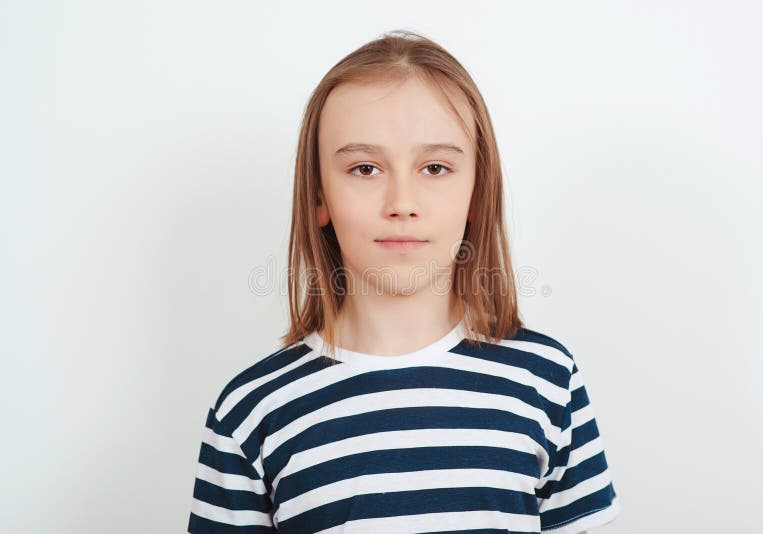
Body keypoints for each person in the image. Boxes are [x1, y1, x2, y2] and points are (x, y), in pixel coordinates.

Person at [187, 29, 620, 534]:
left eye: (435, 167)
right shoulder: (250, 413)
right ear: (319, 196)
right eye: (364, 168)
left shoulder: (548, 380)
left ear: (477, 191)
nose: (402, 203)